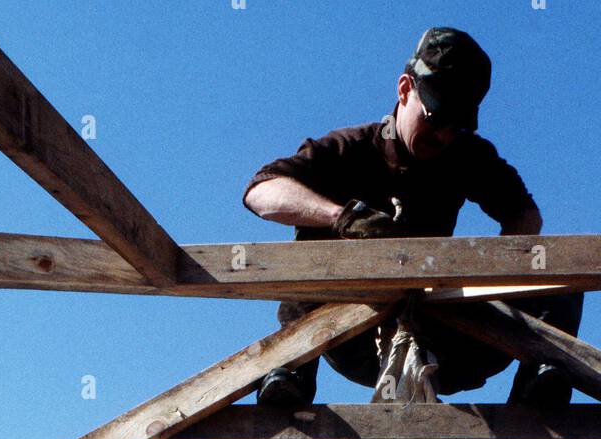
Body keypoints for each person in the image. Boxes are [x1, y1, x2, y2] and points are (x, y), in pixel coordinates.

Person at [242, 27, 583, 412]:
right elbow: (261, 191)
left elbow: (524, 214)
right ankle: (292, 371)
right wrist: (341, 217)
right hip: (350, 333)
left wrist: (492, 268)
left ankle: (539, 378)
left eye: (457, 126)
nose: (444, 136)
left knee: (560, 265)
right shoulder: (348, 149)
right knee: (311, 238)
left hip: (446, 338)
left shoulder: (468, 156)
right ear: (405, 89)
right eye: (436, 118)